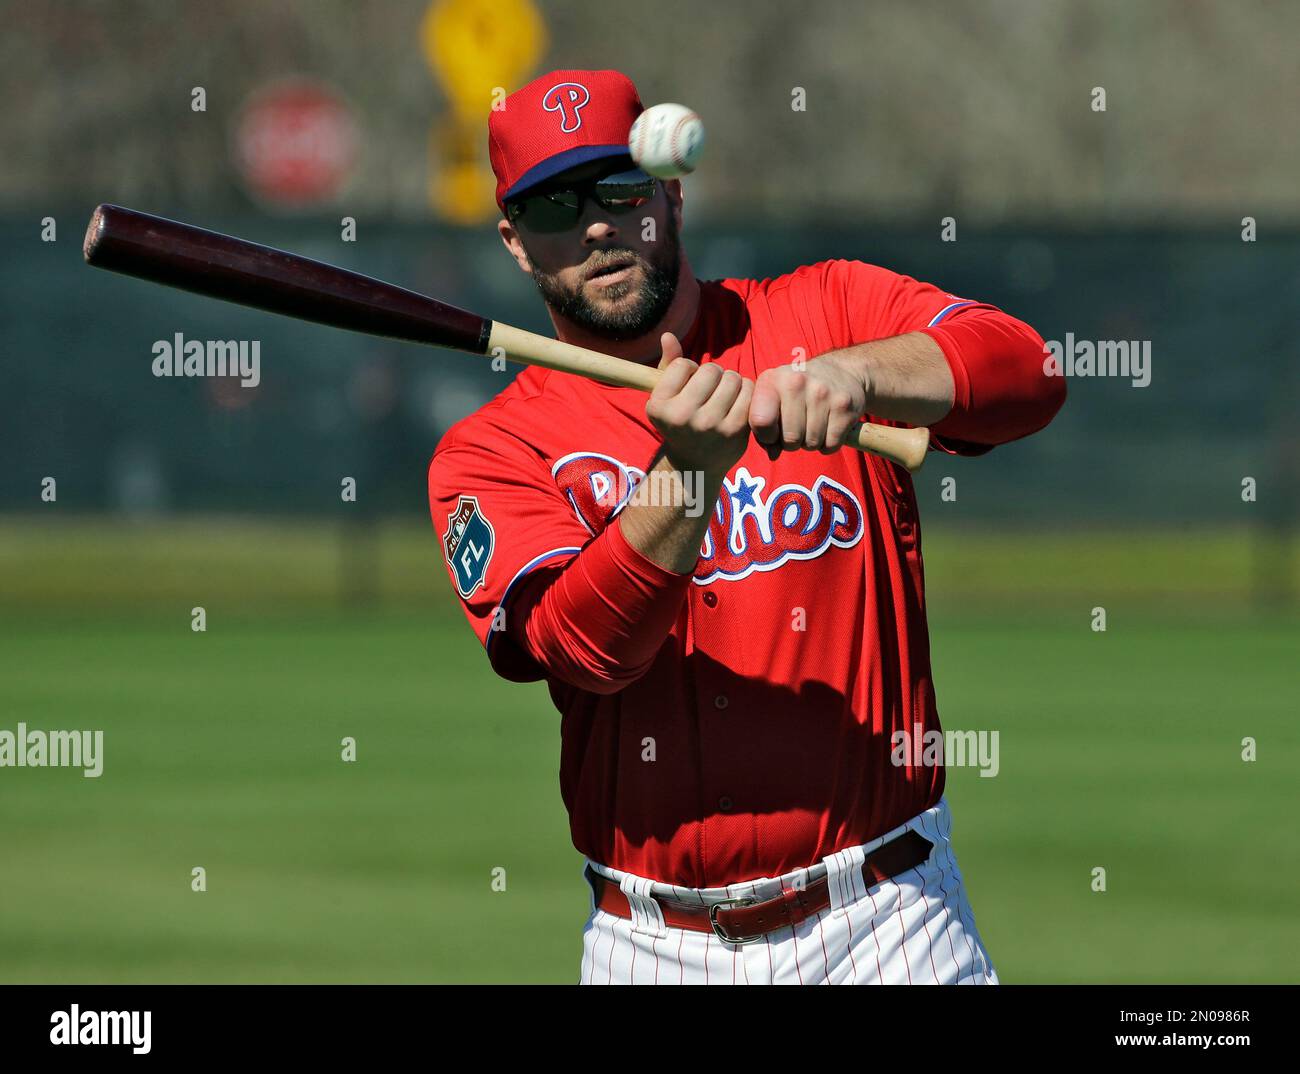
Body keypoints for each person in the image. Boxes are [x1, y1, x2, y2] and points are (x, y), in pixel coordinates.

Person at [427, 69, 1065, 984]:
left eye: (619, 187)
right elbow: (582, 651)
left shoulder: (828, 309)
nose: (596, 225)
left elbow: (1032, 372)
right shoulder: (493, 448)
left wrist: (857, 375)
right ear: (516, 242)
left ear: (670, 196)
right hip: (653, 946)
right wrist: (688, 475)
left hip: (891, 920)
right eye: (555, 204)